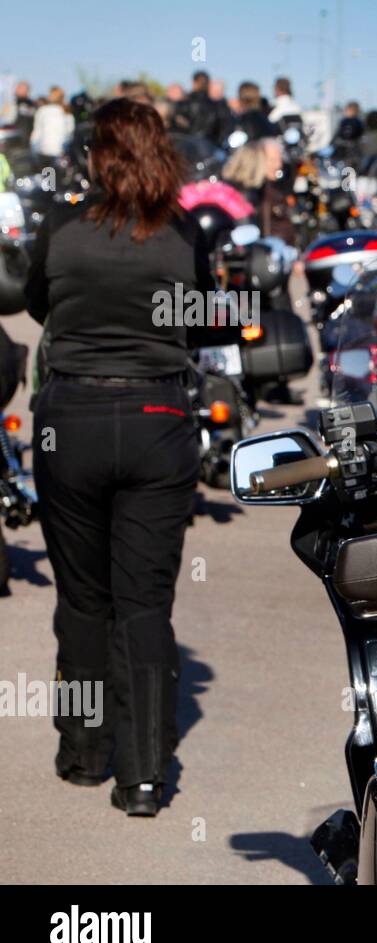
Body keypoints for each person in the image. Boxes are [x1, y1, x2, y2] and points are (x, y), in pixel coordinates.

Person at [24, 98, 233, 817]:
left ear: (96, 157)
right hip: (155, 419)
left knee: (83, 599)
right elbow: (208, 321)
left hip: (72, 420)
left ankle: (84, 750)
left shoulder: (61, 228)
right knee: (144, 605)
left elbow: (34, 305)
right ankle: (143, 776)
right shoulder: (181, 233)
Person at [30, 86, 74, 172]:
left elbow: (36, 134)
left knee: (47, 181)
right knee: (58, 181)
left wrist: (33, 151)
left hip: (44, 152)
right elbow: (70, 134)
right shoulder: (67, 112)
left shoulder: (43, 110)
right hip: (61, 153)